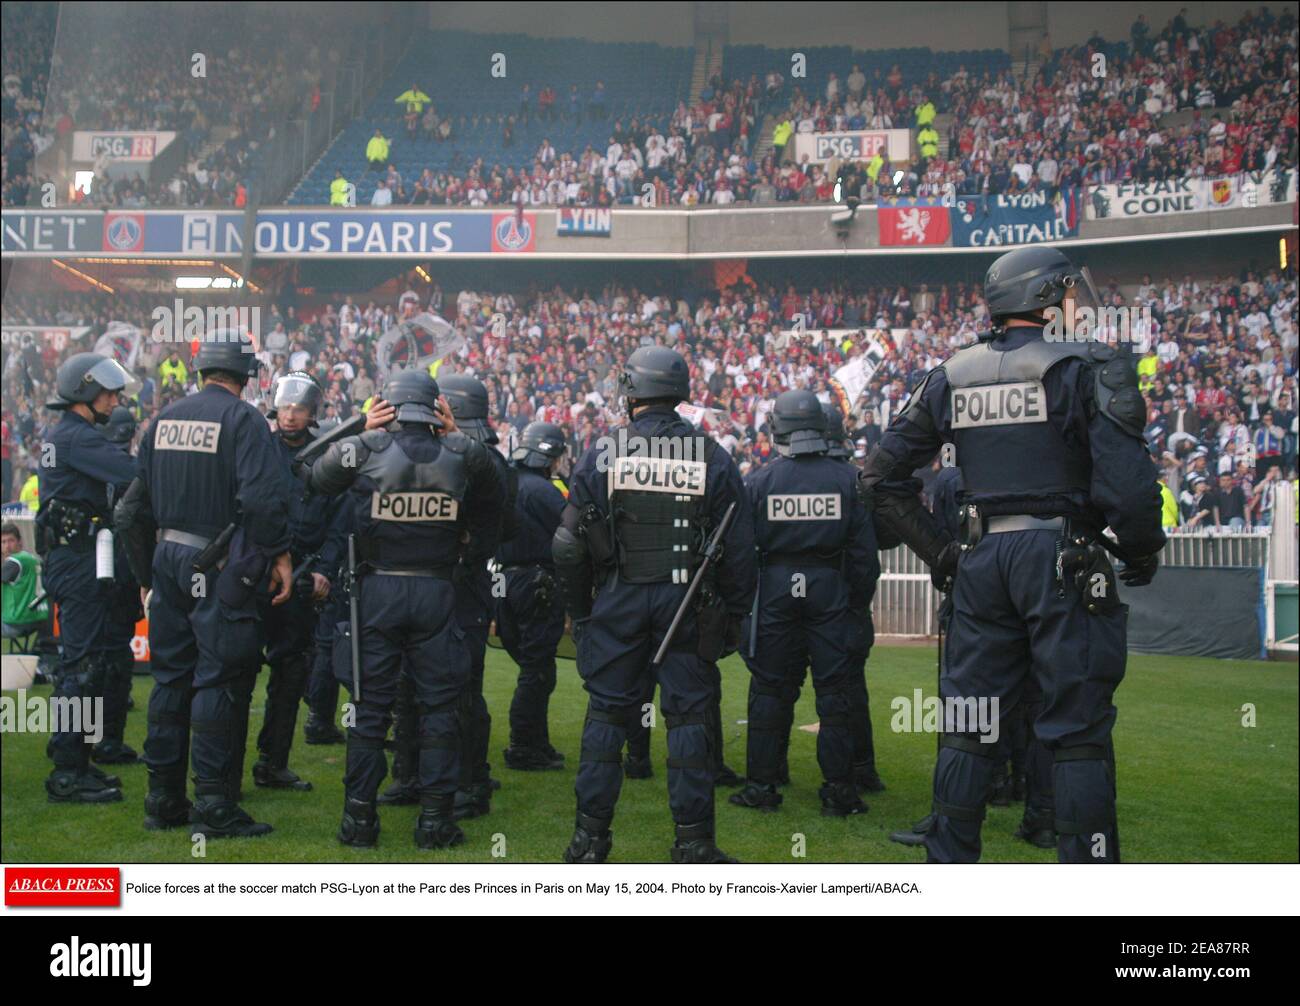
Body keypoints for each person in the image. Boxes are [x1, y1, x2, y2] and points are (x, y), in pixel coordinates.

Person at [859, 245, 1165, 863]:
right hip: (1062, 558)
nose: (1076, 305)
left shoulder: (952, 372)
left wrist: (943, 554)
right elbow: (1129, 490)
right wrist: (1140, 549)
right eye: (1069, 294)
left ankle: (948, 861)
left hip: (980, 564)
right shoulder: (1091, 366)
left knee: (969, 723)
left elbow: (879, 479)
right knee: (1077, 727)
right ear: (1046, 297)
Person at [553, 346, 756, 863]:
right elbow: (740, 550)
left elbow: (567, 545)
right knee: (688, 722)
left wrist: (582, 610)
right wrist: (733, 614)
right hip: (686, 602)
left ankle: (589, 841)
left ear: (631, 393)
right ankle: (693, 844)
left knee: (606, 719)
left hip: (619, 600)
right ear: (679, 392)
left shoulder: (604, 451)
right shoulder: (712, 455)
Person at [307, 370, 504, 849]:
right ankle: (435, 822)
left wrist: (358, 424)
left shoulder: (367, 448)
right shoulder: (464, 453)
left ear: (388, 407)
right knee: (439, 708)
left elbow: (308, 472)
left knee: (370, 710)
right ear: (437, 410)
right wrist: (457, 435)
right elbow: (500, 493)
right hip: (438, 591)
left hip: (378, 592)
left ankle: (359, 821)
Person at [115, 333, 293, 837]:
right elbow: (261, 500)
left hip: (167, 559)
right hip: (217, 561)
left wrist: (146, 575)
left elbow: (130, 510)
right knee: (217, 678)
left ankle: (164, 799)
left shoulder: (161, 421)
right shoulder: (243, 420)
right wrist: (279, 552)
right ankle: (215, 804)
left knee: (170, 677)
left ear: (201, 372)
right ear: (245, 376)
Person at [729, 390, 878, 817]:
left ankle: (762, 785)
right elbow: (866, 559)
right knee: (835, 695)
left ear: (780, 429)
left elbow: (742, 552)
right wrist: (851, 603)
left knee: (770, 690)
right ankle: (839, 792)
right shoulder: (849, 480)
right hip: (830, 589)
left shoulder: (759, 481)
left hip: (776, 589)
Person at [379, 373, 517, 821]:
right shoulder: (434, 454)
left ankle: (470, 784)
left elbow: (497, 519)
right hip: (430, 587)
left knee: (459, 691)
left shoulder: (482, 459)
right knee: (410, 688)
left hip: (463, 591)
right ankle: (411, 775)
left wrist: (466, 556)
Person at [36, 353, 139, 803]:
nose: (116, 401)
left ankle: (78, 758)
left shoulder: (67, 435)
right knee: (80, 666)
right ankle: (67, 770)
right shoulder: (77, 438)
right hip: (76, 559)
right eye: (109, 393)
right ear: (85, 392)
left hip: (73, 556)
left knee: (86, 663)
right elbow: (136, 473)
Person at [243, 372, 345, 793]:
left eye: (299, 409)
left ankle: (272, 763)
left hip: (304, 576)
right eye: (285, 407)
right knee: (239, 669)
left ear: (311, 412)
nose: (290, 416)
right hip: (255, 571)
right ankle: (226, 768)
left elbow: (340, 524)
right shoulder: (259, 450)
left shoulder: (329, 459)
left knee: (290, 674)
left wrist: (324, 567)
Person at [496, 421, 569, 770]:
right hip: (538, 582)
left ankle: (536, 742)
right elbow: (572, 536)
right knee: (537, 670)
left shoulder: (507, 485)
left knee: (533, 667)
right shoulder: (545, 492)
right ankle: (524, 746)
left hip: (504, 581)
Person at [94, 406, 143, 766]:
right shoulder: (131, 472)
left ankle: (74, 739)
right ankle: (107, 740)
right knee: (115, 657)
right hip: (121, 570)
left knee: (83, 660)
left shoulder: (87, 465)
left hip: (88, 571)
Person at [2, 521, 57, 678]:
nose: (7, 546)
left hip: (17, 622)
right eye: (3, 542)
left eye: (11, 540)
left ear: (20, 542)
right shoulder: (34, 559)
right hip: (38, 621)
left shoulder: (14, 561)